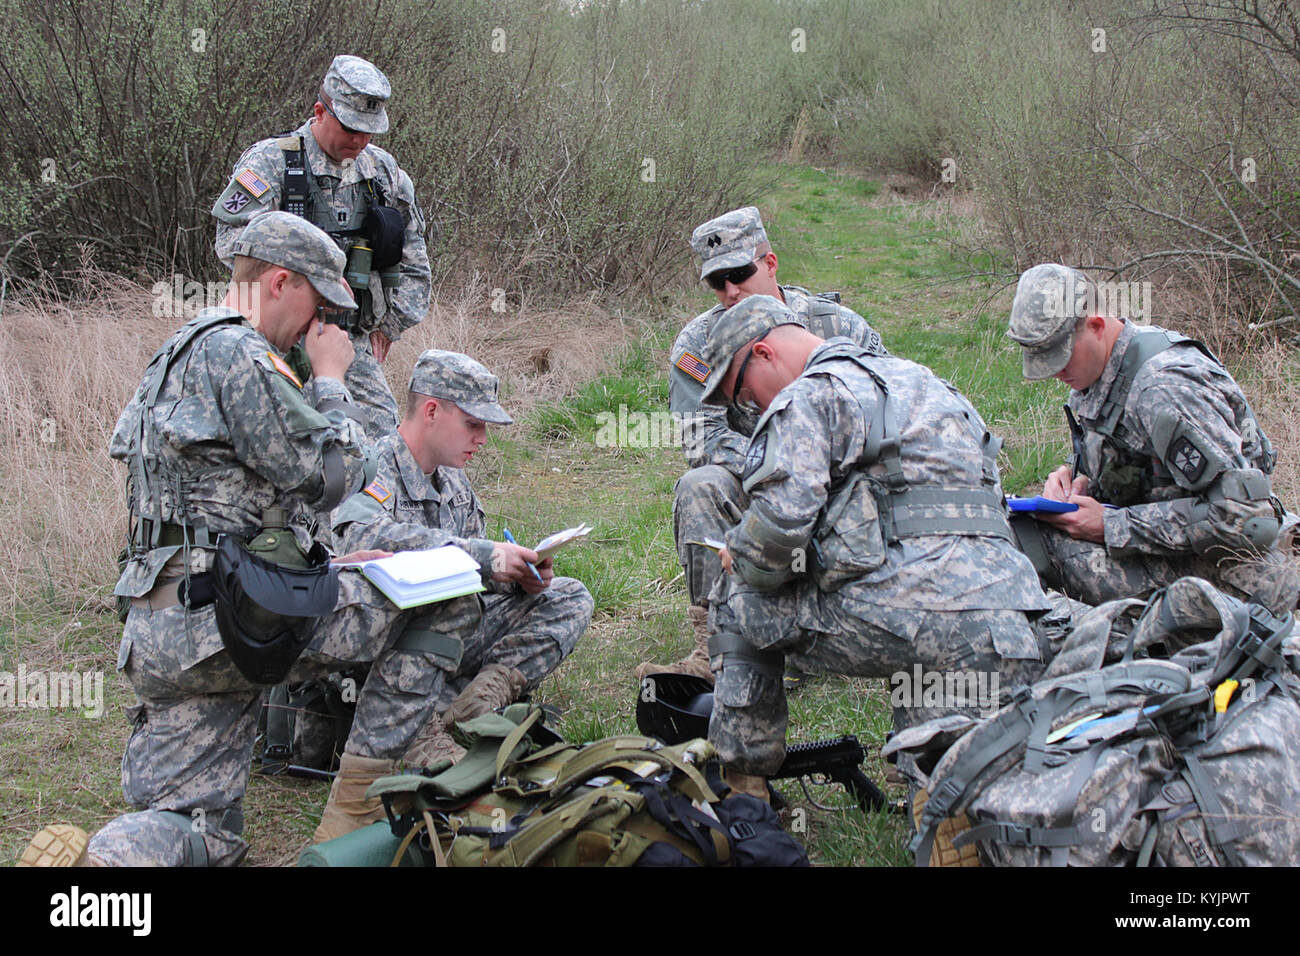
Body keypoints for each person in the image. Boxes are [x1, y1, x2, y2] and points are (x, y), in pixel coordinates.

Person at [18, 213, 466, 867]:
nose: (319, 329)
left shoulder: (176, 352)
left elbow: (226, 502)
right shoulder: (240, 353)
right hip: (224, 617)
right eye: (317, 306)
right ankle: (354, 819)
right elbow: (332, 473)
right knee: (438, 599)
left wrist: (331, 560)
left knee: (203, 832)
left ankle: (102, 868)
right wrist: (333, 378)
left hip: (158, 622)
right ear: (281, 281)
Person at [694, 295, 1048, 799]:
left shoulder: (811, 396)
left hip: (916, 619)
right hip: (1013, 619)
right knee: (949, 781)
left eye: (744, 394)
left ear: (764, 353)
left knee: (736, 594)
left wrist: (742, 553)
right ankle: (939, 790)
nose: (752, 408)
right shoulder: (925, 381)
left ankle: (740, 790)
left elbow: (777, 532)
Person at [637, 206, 887, 683]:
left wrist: (819, 472)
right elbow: (702, 436)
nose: (731, 290)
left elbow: (887, 408)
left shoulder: (837, 326)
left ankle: (855, 622)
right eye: (717, 281)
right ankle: (717, 647)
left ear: (770, 264)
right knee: (700, 484)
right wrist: (778, 469)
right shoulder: (698, 345)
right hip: (753, 478)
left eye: (740, 273)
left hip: (840, 483)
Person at [331, 349, 593, 769]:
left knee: (569, 596)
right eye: (473, 424)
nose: (483, 438)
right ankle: (425, 719)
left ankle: (477, 701)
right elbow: (363, 540)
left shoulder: (453, 478)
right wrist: (487, 557)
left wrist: (515, 575)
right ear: (432, 410)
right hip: (388, 641)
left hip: (451, 628)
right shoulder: (371, 469)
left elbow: (473, 573)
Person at [1006, 263, 1298, 615]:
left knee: (1024, 543)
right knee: (1014, 528)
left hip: (1233, 574)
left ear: (1096, 326)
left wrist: (1112, 526)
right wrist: (1075, 479)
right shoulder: (1100, 370)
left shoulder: (1164, 389)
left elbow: (1246, 518)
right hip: (1170, 549)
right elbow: (1133, 460)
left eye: (1060, 357)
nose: (1054, 372)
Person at [212, 54, 431, 439]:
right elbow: (230, 244)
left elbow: (415, 261)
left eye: (369, 132)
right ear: (319, 111)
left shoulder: (383, 174)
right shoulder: (271, 163)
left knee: (381, 453)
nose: (360, 141)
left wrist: (389, 327)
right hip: (273, 343)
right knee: (270, 447)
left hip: (347, 342)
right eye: (350, 128)